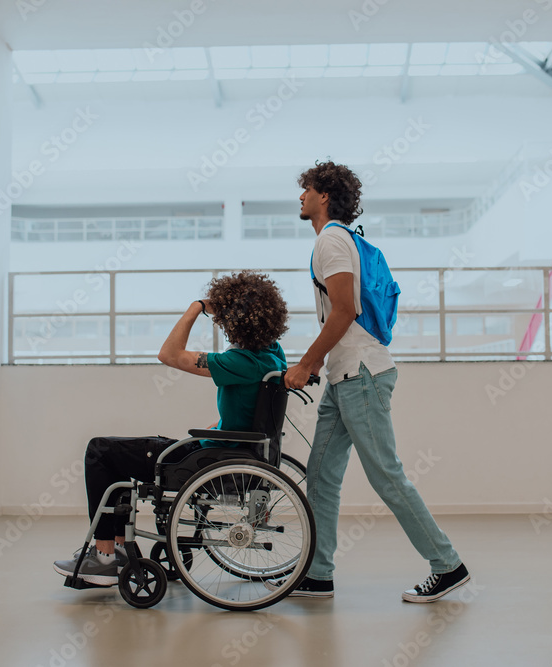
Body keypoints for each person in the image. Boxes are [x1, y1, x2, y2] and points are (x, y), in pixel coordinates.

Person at [277, 161, 470, 603]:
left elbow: (345, 311)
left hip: (360, 374)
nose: (300, 197)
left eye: (306, 189)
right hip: (345, 374)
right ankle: (317, 573)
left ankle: (448, 565)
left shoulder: (332, 241)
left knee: (386, 475)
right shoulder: (340, 241)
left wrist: (306, 363)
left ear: (324, 196)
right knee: (322, 476)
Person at [54, 271, 289, 585]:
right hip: (231, 448)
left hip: (211, 457)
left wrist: (196, 307)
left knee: (101, 450)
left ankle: (106, 555)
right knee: (122, 454)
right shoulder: (273, 354)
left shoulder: (239, 361)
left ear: (234, 321)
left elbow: (169, 354)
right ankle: (117, 549)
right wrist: (221, 427)